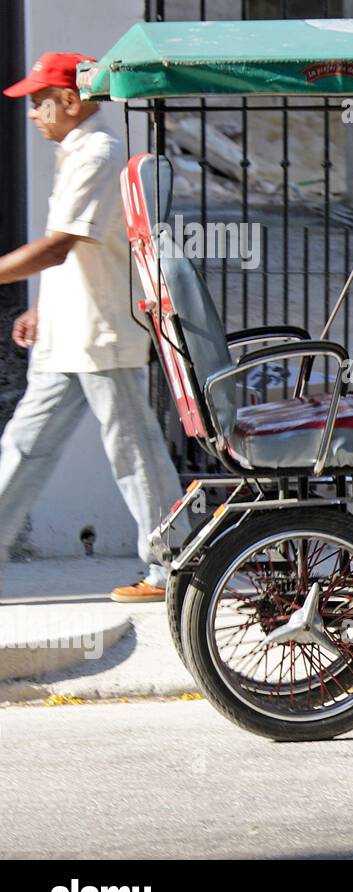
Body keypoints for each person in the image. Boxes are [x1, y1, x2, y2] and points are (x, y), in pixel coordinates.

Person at [0, 51, 182, 603]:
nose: (34, 114)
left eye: (40, 102)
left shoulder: (97, 152)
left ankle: (171, 568)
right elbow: (78, 252)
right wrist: (40, 310)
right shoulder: (79, 151)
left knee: (135, 455)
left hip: (100, 337)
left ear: (72, 101)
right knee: (23, 449)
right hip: (68, 336)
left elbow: (58, 248)